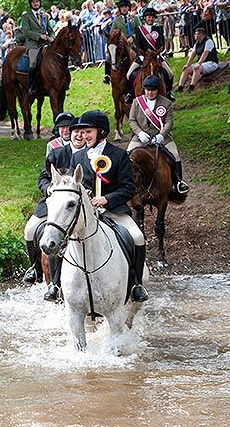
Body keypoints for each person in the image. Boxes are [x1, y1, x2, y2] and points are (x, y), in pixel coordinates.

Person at [69, 110, 148, 302]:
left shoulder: (119, 155)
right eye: (83, 132)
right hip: (86, 215)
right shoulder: (77, 157)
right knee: (62, 239)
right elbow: (73, 185)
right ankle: (55, 285)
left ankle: (136, 284)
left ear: (101, 132)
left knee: (137, 237)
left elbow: (129, 187)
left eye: (88, 131)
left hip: (114, 212)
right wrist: (85, 194)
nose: (84, 136)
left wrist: (107, 199)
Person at [23, 111, 77, 301]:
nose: (65, 130)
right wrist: (48, 189)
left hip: (74, 205)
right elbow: (43, 177)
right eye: (62, 127)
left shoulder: (84, 151)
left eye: (68, 127)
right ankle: (35, 269)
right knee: (30, 230)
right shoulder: (55, 151)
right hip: (54, 202)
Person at [128, 75, 189, 195]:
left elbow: (169, 122)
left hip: (161, 136)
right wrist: (139, 133)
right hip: (141, 136)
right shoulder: (136, 102)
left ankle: (178, 182)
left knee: (175, 155)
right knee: (128, 155)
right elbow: (132, 120)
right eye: (148, 90)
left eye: (153, 90)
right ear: (144, 89)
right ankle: (127, 183)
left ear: (158, 90)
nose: (150, 93)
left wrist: (161, 135)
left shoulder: (166, 103)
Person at [126, 7, 175, 98]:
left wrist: (155, 52)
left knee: (169, 73)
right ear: (144, 18)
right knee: (129, 74)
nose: (150, 19)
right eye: (148, 17)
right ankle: (130, 93)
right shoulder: (139, 29)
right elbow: (138, 44)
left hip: (156, 55)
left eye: (152, 17)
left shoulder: (158, 28)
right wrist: (144, 53)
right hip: (143, 56)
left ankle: (169, 92)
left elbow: (161, 43)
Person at [20, 0, 52, 95]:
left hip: (45, 43)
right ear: (31, 4)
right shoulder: (26, 16)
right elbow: (26, 32)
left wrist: (52, 37)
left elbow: (50, 30)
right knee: (33, 62)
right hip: (33, 44)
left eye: (37, 1)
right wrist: (39, 36)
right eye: (33, 2)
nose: (36, 3)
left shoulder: (45, 16)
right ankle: (31, 85)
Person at [105, 0, 138, 85]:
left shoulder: (135, 18)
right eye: (122, 7)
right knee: (109, 56)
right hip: (121, 46)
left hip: (134, 45)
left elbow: (140, 30)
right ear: (119, 8)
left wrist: (133, 37)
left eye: (126, 7)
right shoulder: (116, 21)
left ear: (129, 8)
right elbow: (112, 34)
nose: (124, 8)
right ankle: (107, 75)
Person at [176, 27, 219, 93]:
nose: (194, 35)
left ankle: (192, 87)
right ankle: (180, 87)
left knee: (197, 68)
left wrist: (199, 63)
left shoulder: (208, 41)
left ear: (201, 34)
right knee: (186, 69)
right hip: (203, 63)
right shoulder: (197, 43)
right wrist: (187, 65)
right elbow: (193, 54)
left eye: (196, 34)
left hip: (211, 63)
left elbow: (205, 53)